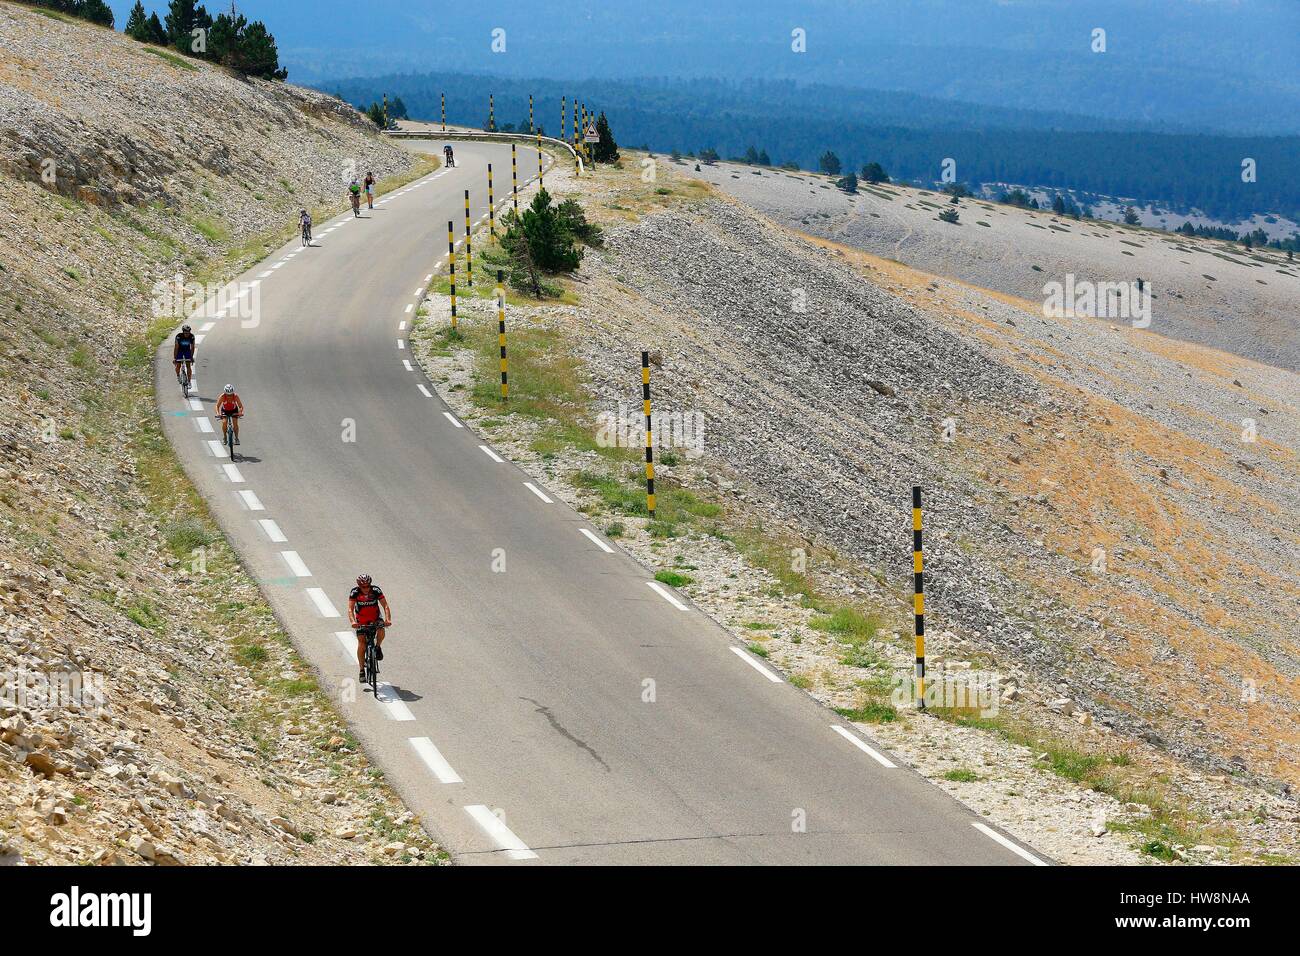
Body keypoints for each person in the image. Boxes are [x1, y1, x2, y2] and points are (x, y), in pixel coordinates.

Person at [348, 574, 391, 682]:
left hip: (375, 618)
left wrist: (387, 619)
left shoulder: (376, 590)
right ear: (359, 586)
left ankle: (377, 647)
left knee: (381, 630)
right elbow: (350, 609)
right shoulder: (355, 592)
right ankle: (362, 670)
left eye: (368, 586)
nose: (366, 589)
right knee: (362, 644)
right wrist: (353, 622)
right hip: (361, 620)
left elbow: (385, 605)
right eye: (363, 587)